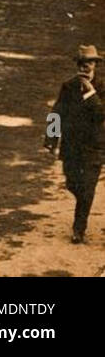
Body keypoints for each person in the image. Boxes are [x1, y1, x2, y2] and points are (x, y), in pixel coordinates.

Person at [47, 45, 105, 243]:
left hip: (95, 148)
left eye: (88, 64)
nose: (84, 68)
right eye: (81, 64)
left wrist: (90, 92)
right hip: (71, 147)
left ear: (95, 65)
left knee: (88, 187)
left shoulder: (103, 87)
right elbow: (55, 114)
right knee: (72, 183)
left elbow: (100, 115)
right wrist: (51, 140)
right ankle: (83, 203)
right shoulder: (68, 86)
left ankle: (78, 229)